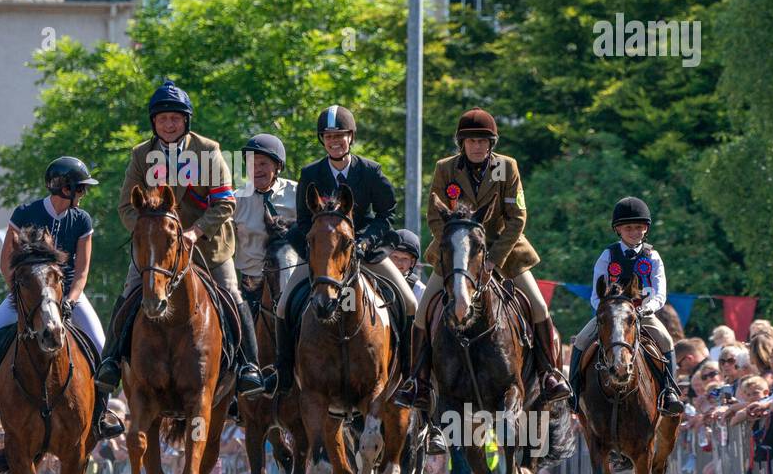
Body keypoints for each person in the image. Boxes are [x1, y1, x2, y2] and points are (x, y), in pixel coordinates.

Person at [94, 81, 265, 399]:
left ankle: (248, 367)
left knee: (230, 291)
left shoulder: (208, 151)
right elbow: (125, 208)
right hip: (157, 250)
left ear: (185, 121)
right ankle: (111, 361)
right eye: (162, 119)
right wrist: (149, 233)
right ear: (154, 123)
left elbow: (225, 202)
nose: (169, 125)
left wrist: (194, 231)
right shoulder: (141, 155)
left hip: (206, 245)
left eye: (174, 118)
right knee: (131, 289)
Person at [399, 108, 569, 412]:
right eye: (471, 141)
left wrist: (492, 260)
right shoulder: (445, 169)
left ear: (491, 143)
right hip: (456, 255)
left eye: (482, 141)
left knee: (539, 307)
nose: (477, 146)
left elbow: (517, 218)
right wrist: (454, 252)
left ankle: (549, 375)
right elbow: (435, 217)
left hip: (503, 252)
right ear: (461, 143)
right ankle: (418, 381)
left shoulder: (507, 167)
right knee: (424, 309)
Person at [0, 156, 123, 440]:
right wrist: (21, 297)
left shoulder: (81, 220)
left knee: (102, 346)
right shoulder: (25, 213)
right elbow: (7, 263)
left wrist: (70, 300)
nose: (83, 194)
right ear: (63, 187)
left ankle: (101, 416)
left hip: (67, 295)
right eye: (80, 188)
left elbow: (81, 271)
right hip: (26, 295)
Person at [274, 105, 417, 397]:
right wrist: (315, 255)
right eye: (328, 136)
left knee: (410, 303)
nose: (334, 141)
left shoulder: (369, 171)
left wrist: (364, 241)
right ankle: (285, 375)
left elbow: (386, 213)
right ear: (322, 140)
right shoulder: (311, 173)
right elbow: (303, 220)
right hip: (325, 256)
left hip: (366, 251)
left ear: (351, 137)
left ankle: (413, 377)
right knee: (283, 305)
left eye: (340, 135)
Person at [566, 197, 683, 415]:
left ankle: (670, 392)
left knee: (666, 340)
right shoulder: (608, 255)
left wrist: (646, 309)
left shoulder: (653, 256)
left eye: (638, 228)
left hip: (643, 313)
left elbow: (660, 293)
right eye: (628, 228)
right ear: (618, 229)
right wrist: (606, 310)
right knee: (581, 340)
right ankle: (572, 391)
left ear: (645, 229)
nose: (634, 232)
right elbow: (595, 294)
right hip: (612, 315)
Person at [232, 133, 296, 395]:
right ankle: (233, 388)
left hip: (289, 284)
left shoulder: (297, 193)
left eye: (263, 164)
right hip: (251, 284)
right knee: (227, 331)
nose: (256, 169)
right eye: (251, 163)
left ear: (277, 167)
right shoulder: (236, 199)